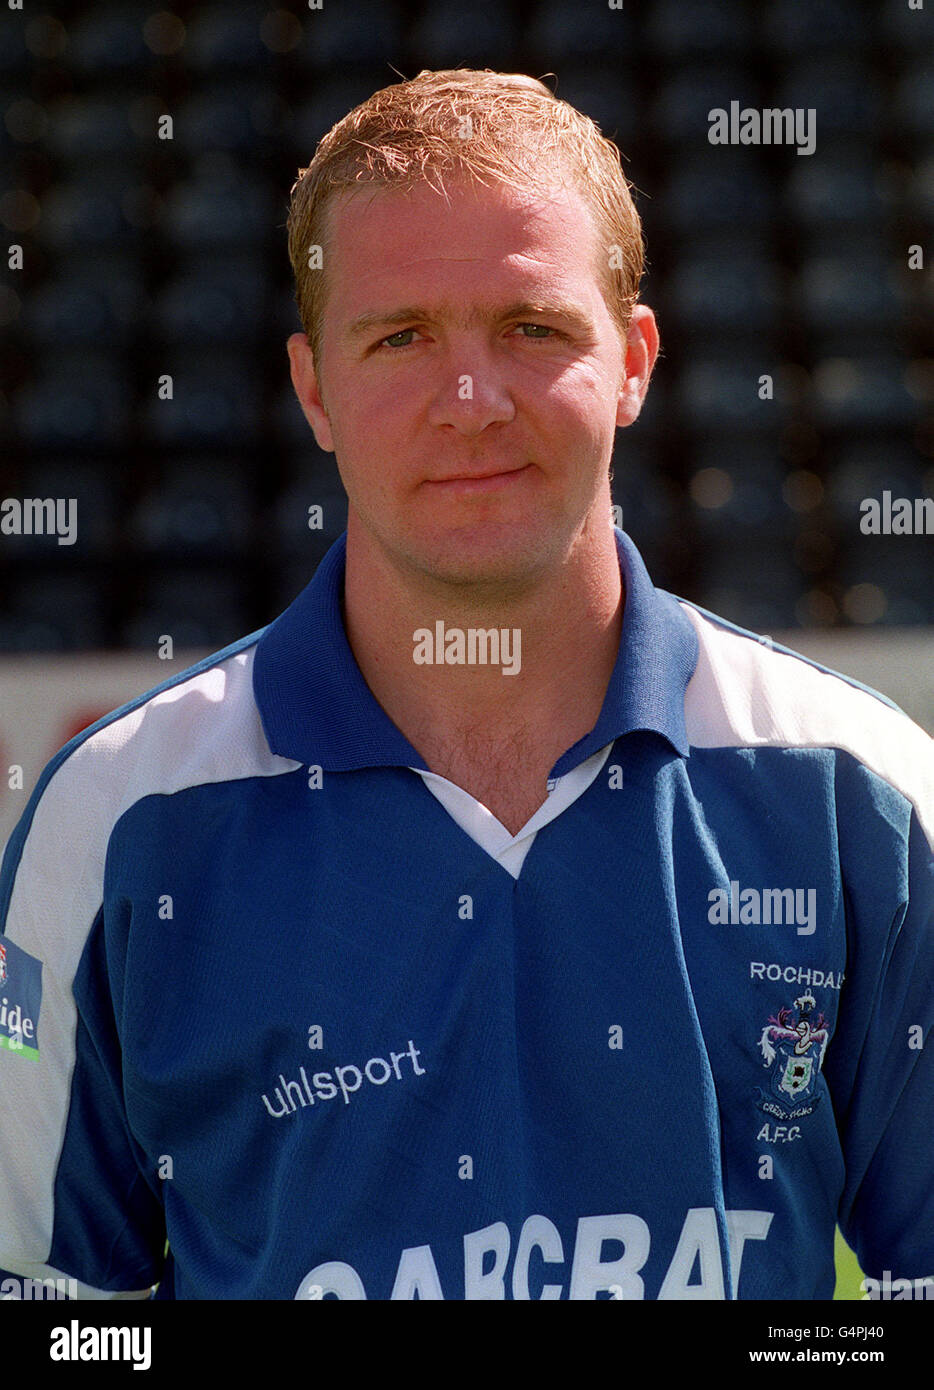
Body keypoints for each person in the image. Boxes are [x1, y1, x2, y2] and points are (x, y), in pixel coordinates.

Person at [0, 69, 931, 1301]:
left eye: (532, 328)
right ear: (314, 388)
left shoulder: (856, 794)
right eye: (400, 337)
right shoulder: (117, 821)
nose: (471, 401)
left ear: (636, 358)